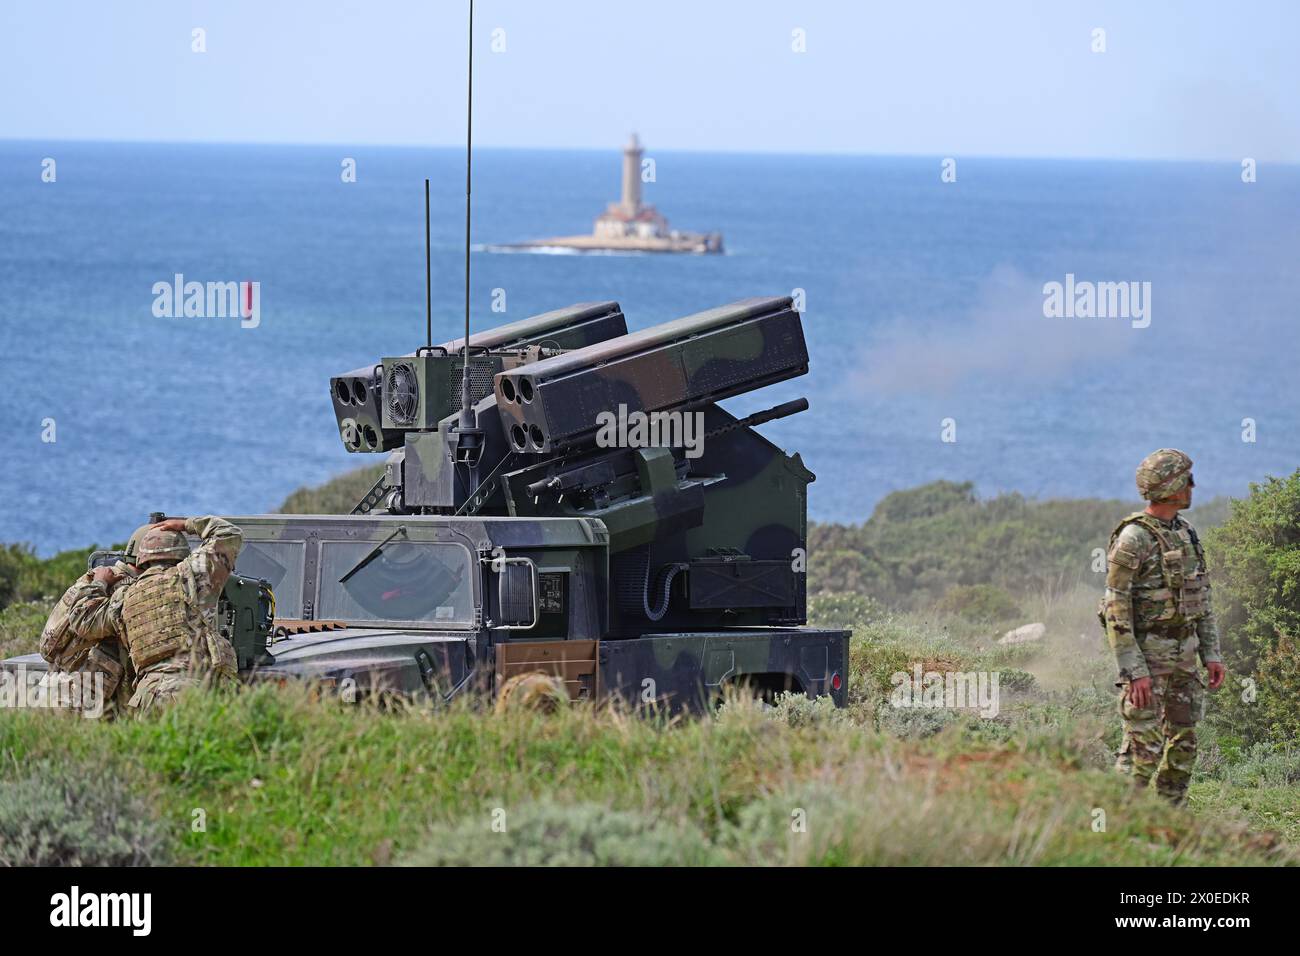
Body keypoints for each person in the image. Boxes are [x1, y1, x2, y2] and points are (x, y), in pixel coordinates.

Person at [1102, 448, 1225, 805]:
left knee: (1183, 745)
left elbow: (1201, 599)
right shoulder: (1133, 538)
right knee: (1143, 748)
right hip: (1148, 661)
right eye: (1187, 479)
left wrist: (1211, 653)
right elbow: (1116, 607)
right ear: (1170, 485)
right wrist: (1134, 671)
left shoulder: (1186, 533)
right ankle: (1119, 826)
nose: (1193, 485)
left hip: (1185, 660)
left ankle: (1170, 822)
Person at [71, 515, 243, 712]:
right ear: (181, 554)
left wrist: (99, 582)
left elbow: (82, 619)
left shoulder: (124, 598)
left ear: (142, 558)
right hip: (191, 691)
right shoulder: (191, 577)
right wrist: (186, 524)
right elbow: (229, 533)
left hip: (147, 697)